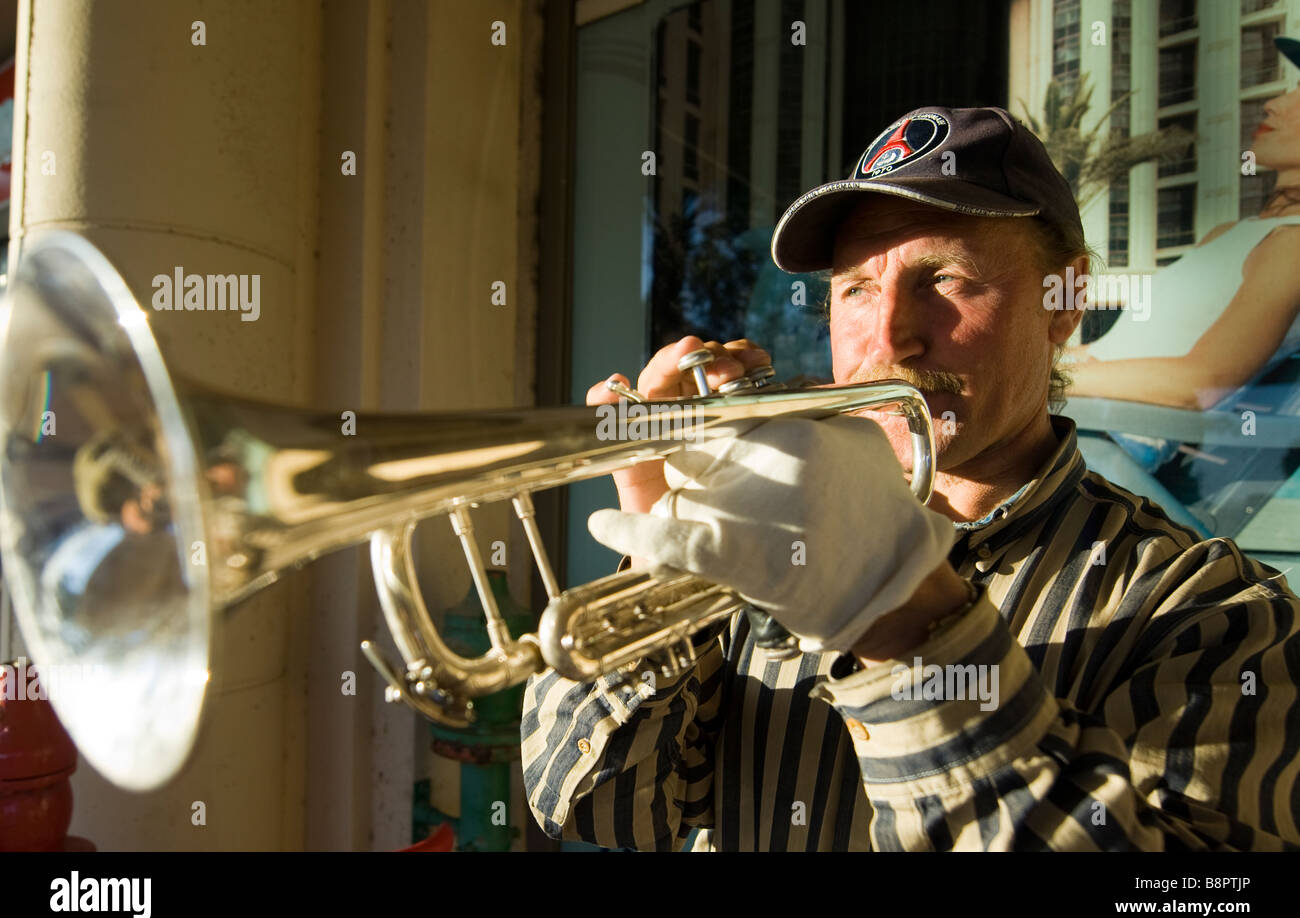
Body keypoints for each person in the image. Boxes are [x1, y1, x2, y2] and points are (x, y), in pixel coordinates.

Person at [521, 105, 1300, 851]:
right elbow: (596, 806)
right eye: (856, 289)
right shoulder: (757, 529)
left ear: (1065, 304)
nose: (890, 338)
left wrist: (899, 606)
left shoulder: (1213, 609)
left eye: (947, 278)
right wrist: (663, 549)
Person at [1065, 37, 1300, 472]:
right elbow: (1112, 350)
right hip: (1080, 418)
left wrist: (1037, 378)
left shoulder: (1292, 247)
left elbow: (1202, 383)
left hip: (1105, 439)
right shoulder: (1231, 233)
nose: (1273, 104)